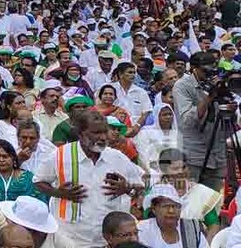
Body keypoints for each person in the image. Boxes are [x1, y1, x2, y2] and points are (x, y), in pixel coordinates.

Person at [33, 110, 145, 248]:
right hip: (69, 238)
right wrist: (61, 194)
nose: (103, 137)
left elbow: (140, 186)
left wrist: (127, 189)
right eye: (97, 133)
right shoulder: (60, 154)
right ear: (81, 134)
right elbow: (38, 182)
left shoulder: (117, 157)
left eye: (105, 132)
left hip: (106, 240)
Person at [172, 52, 234, 190]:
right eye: (205, 70)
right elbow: (187, 121)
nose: (209, 73)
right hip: (194, 154)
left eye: (213, 68)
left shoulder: (220, 83)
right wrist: (209, 96)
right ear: (194, 68)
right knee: (192, 200)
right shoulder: (182, 86)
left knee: (213, 201)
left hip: (218, 152)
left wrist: (231, 106)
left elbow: (229, 119)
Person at [136, 184, 208, 248]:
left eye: (175, 206)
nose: (171, 211)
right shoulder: (142, 229)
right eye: (165, 206)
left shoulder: (191, 228)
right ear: (154, 209)